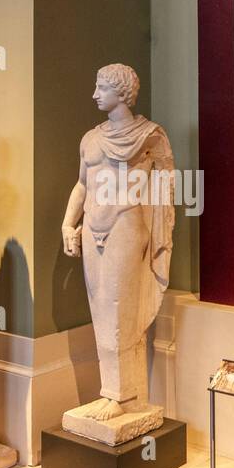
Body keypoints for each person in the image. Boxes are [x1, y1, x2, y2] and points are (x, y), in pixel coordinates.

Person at [61, 63, 175, 421]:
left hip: (127, 223)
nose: (94, 95)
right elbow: (82, 184)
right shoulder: (90, 138)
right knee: (100, 307)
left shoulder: (151, 135)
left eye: (101, 88)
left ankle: (122, 396)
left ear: (121, 92)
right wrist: (68, 224)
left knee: (119, 304)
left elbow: (167, 183)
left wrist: (157, 226)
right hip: (93, 225)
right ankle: (113, 392)